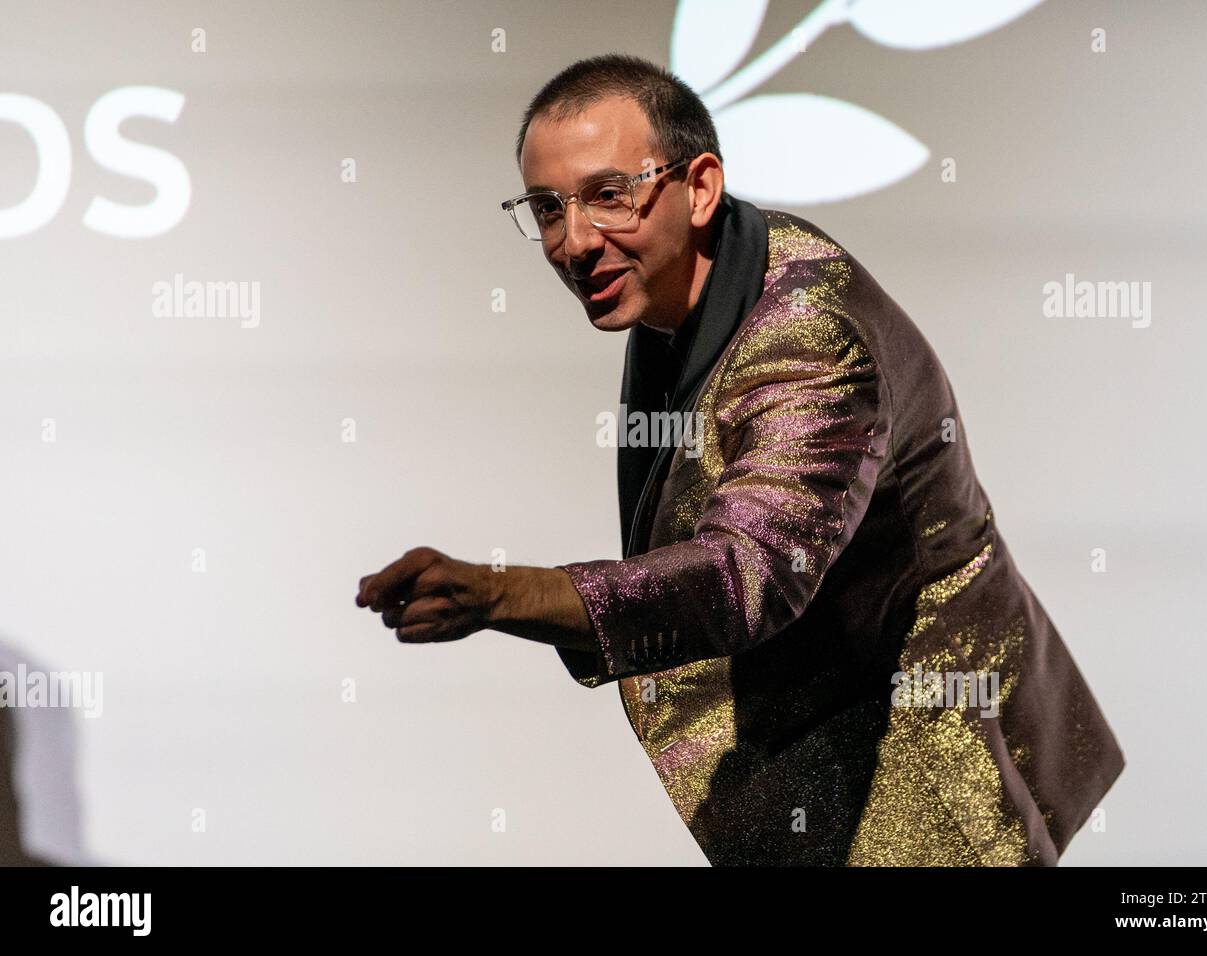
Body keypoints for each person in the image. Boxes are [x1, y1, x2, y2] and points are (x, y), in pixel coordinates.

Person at [355, 53, 1124, 866]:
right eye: (548, 208)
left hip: (913, 791)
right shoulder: (697, 271)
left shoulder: (805, 336)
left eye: (609, 196)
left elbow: (750, 575)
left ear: (700, 186)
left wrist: (505, 593)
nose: (574, 243)